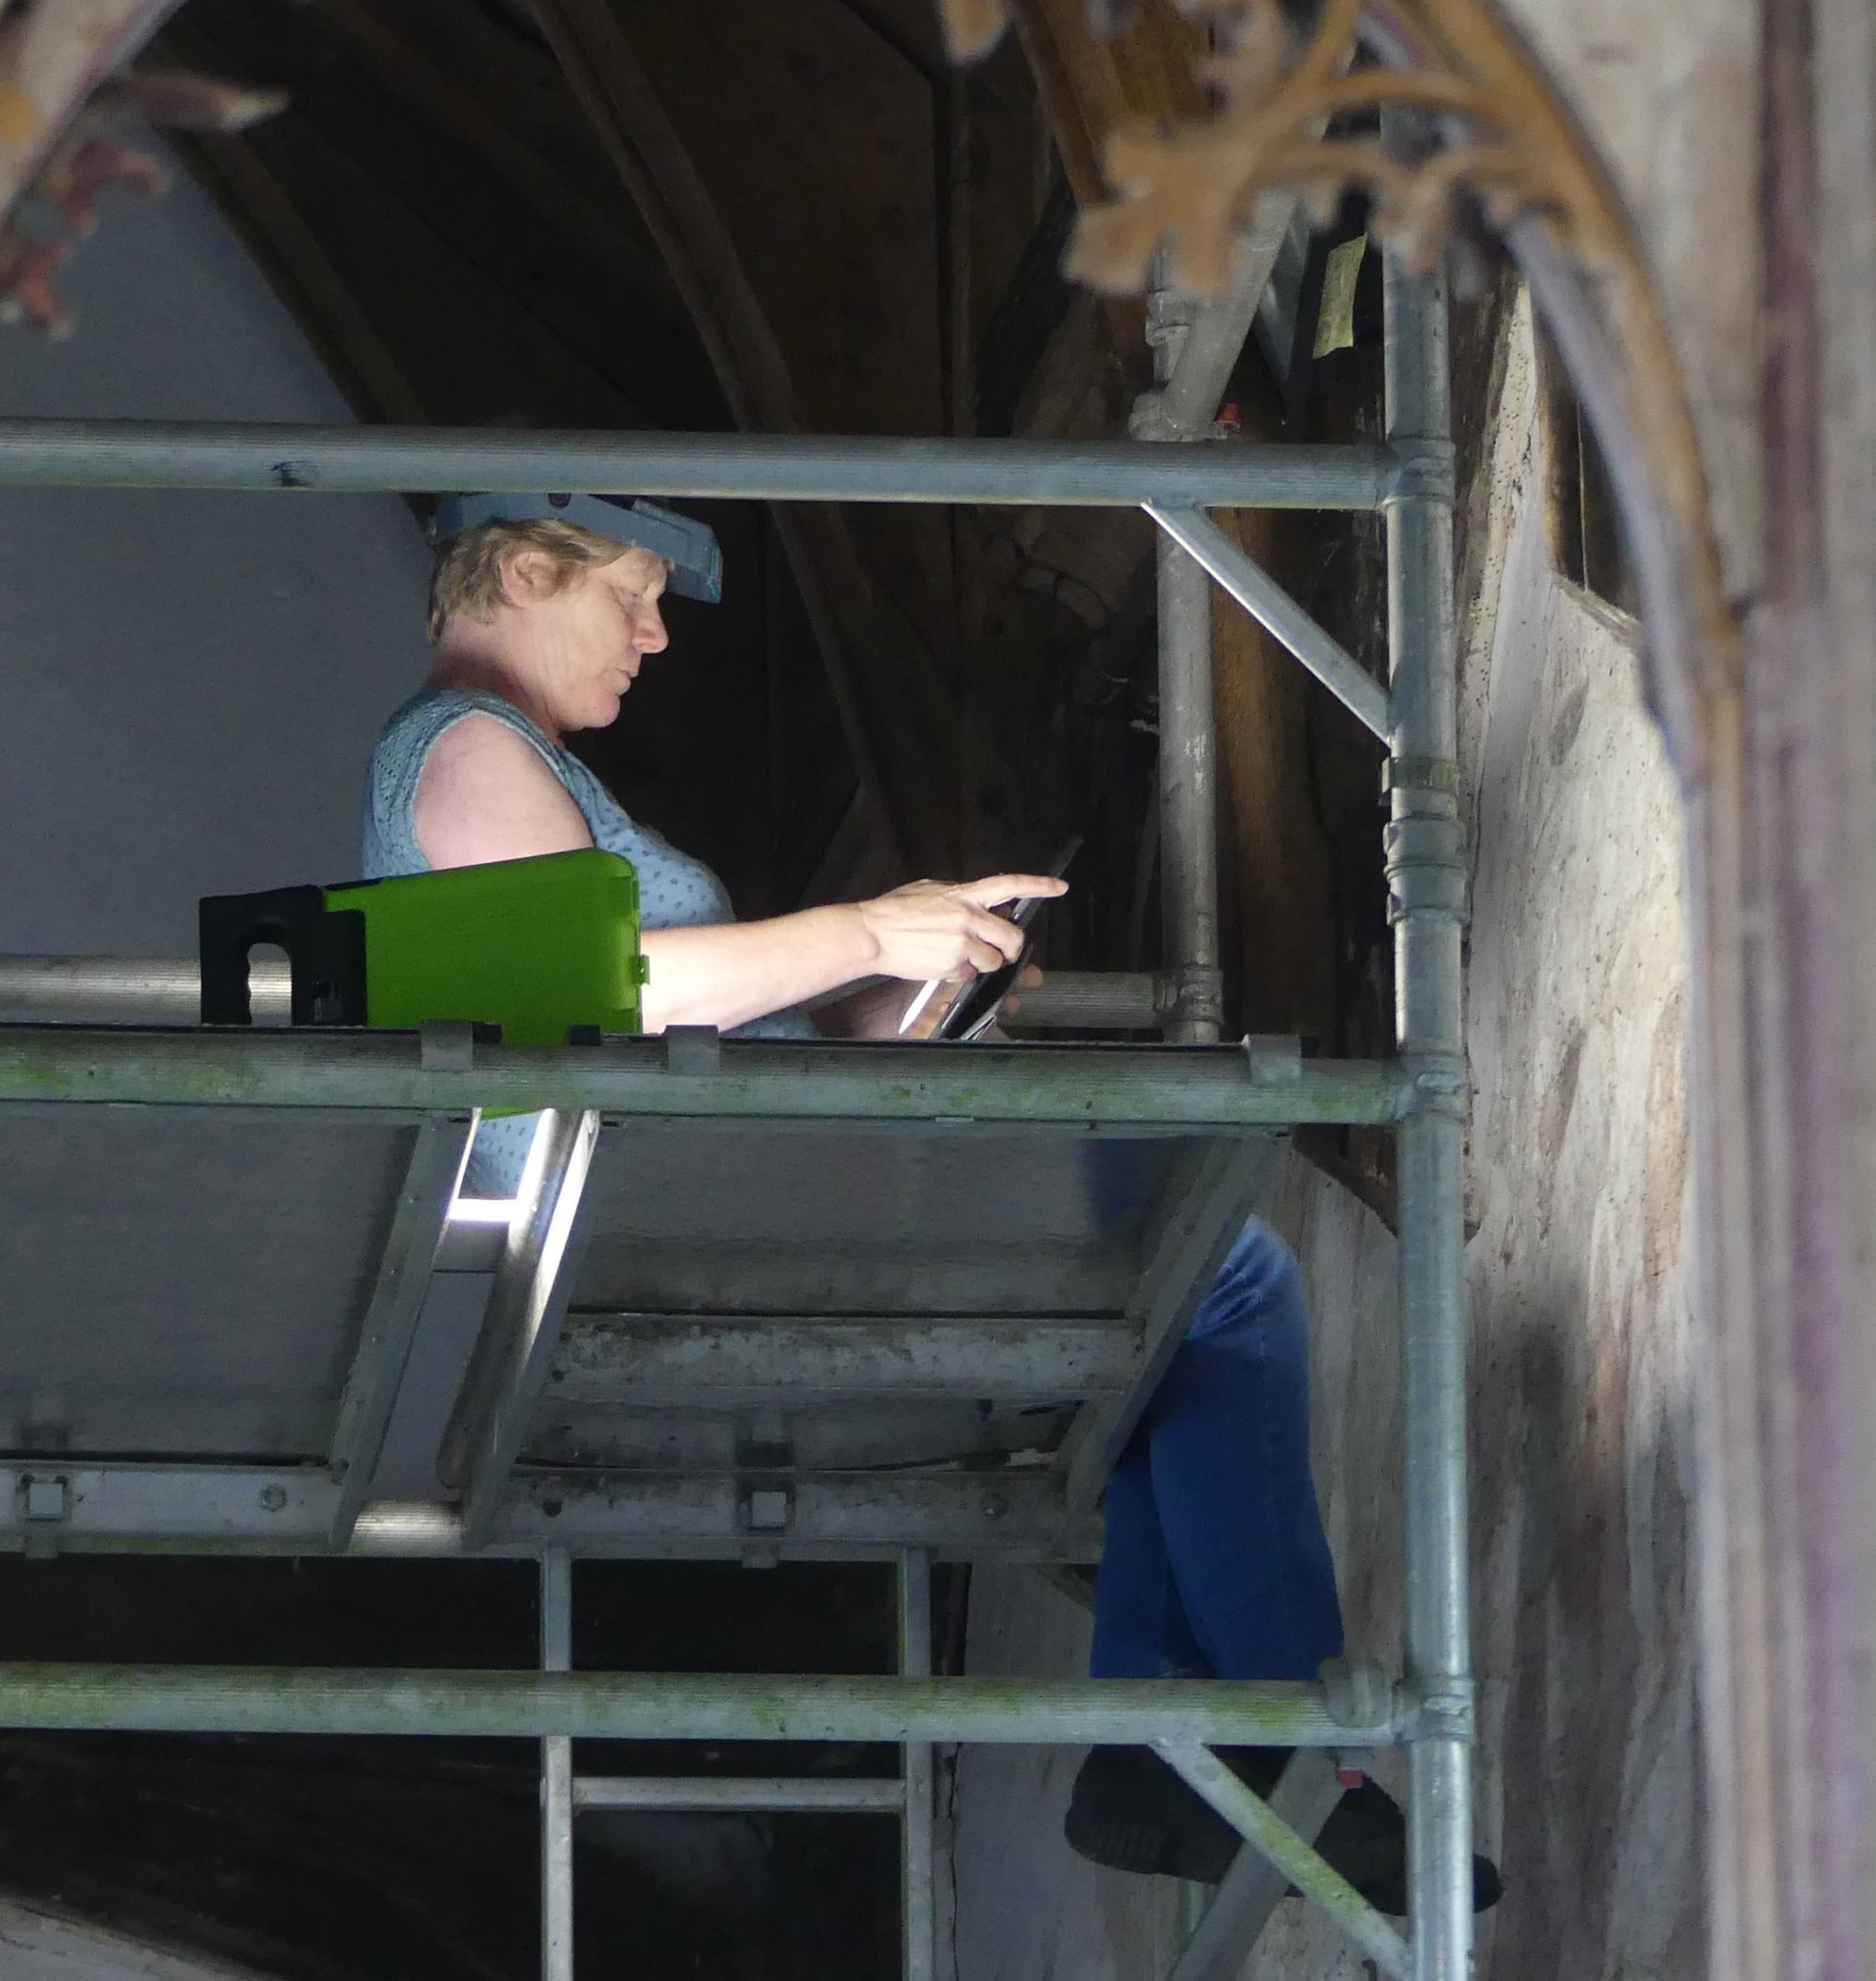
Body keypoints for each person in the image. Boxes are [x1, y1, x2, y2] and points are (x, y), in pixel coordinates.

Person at [362, 492, 1499, 1917]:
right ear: (526, 570)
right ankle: (1257, 1753)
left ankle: (1192, 1755)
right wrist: (862, 931)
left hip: (733, 1193)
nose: (655, 639)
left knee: (1176, 1302)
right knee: (1218, 1278)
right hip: (696, 1223)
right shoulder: (462, 749)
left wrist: (911, 983)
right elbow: (601, 992)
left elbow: (664, 1015)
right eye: (634, 594)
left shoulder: (507, 762)